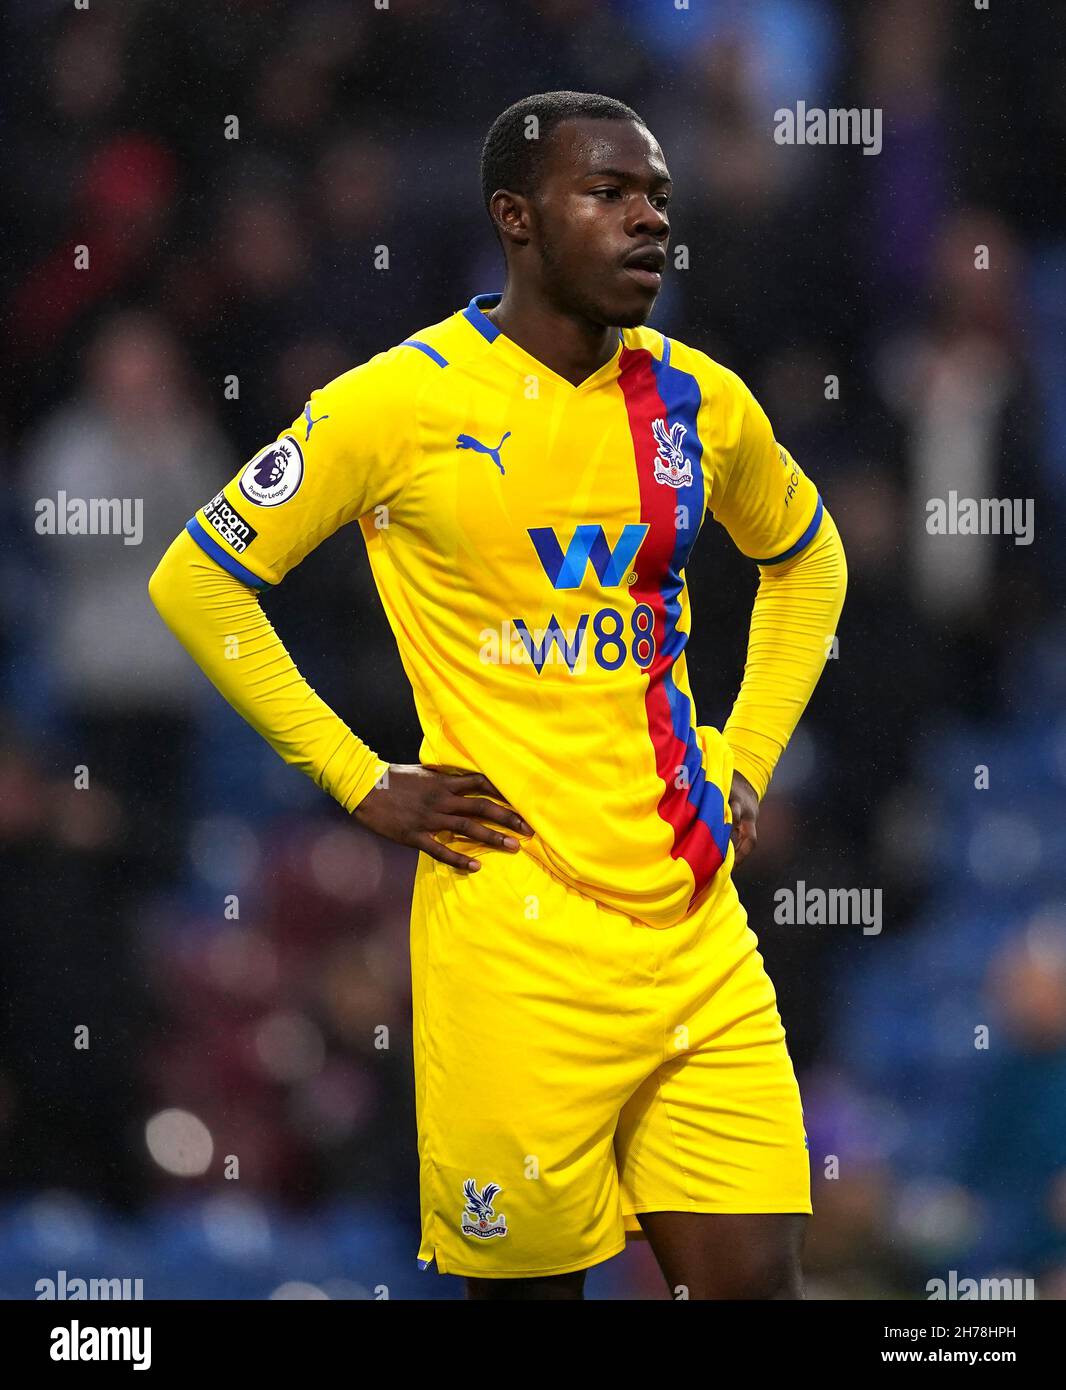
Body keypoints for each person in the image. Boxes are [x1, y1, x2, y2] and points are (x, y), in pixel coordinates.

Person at [150, 91, 847, 1300]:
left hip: (695, 932)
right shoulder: (398, 403)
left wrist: (744, 759)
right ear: (515, 220)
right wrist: (357, 777)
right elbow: (197, 578)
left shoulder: (701, 402)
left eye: (660, 200)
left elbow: (809, 557)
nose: (647, 223)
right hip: (515, 948)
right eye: (609, 194)